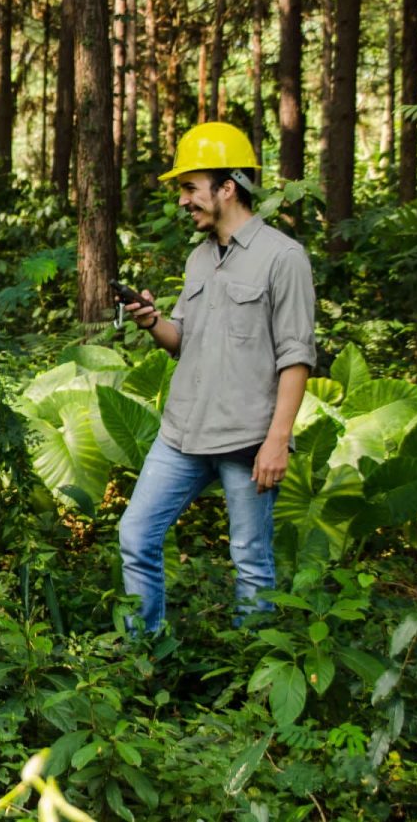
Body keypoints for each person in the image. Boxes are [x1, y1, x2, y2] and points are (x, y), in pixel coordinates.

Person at [117, 121, 316, 632]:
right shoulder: (199, 258)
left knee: (250, 559)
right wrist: (152, 321)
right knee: (136, 535)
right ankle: (143, 652)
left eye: (190, 188)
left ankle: (256, 666)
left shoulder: (283, 258)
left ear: (228, 187)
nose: (183, 201)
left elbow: (296, 358)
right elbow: (183, 340)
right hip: (182, 432)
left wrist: (277, 441)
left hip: (247, 439)